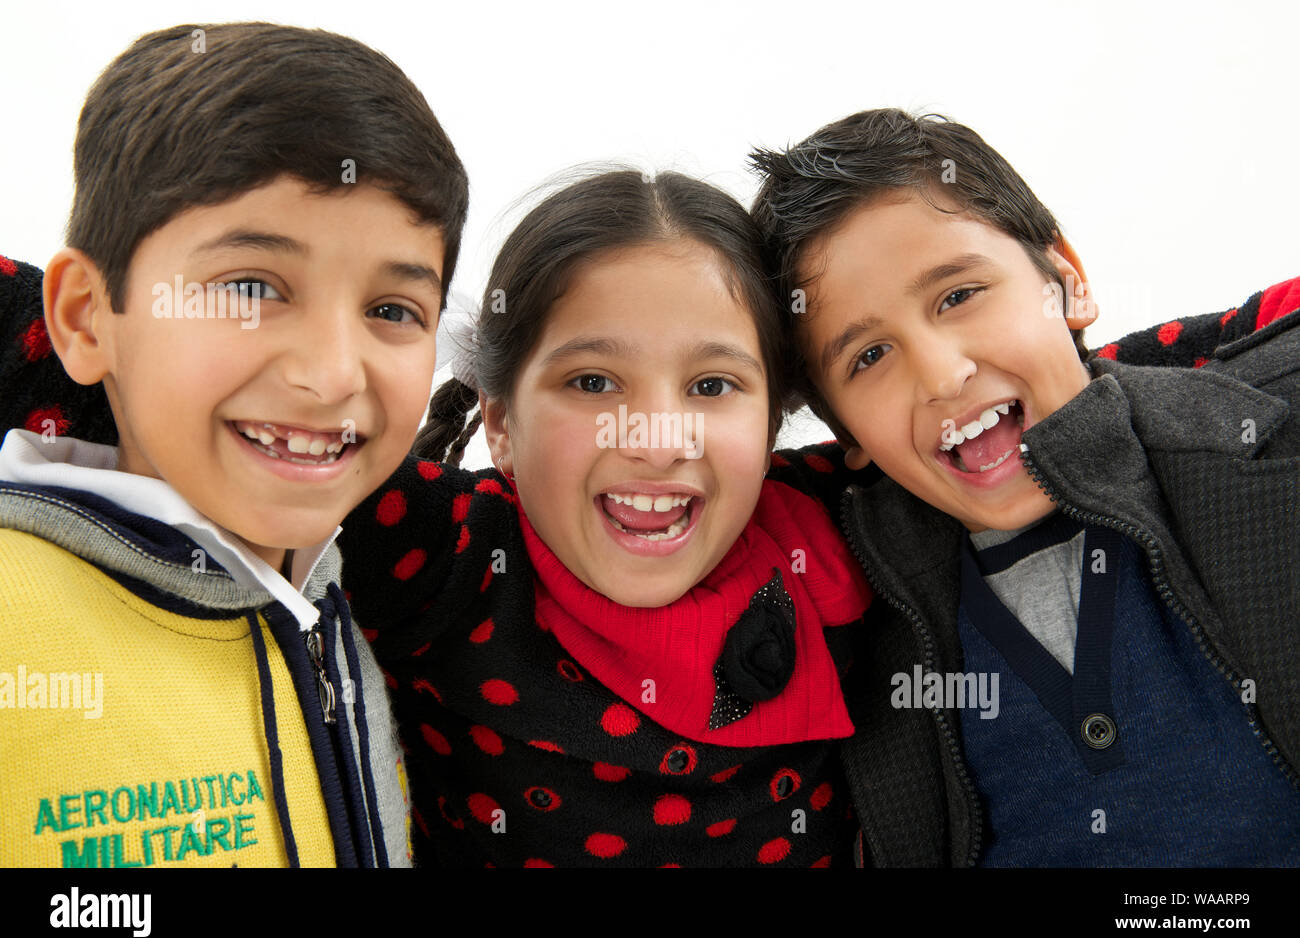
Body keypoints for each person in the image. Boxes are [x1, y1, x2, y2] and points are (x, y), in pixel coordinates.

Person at [749, 108, 1300, 865]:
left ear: (1067, 281)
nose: (942, 374)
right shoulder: (842, 601)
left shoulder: (1255, 439)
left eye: (957, 295)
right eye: (870, 354)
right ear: (844, 434)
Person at [0, 20, 469, 868]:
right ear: (84, 316)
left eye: (392, 310)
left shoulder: (353, 604)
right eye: (253, 286)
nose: (332, 375)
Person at [337, 169, 874, 866]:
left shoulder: (841, 523)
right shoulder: (443, 552)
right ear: (501, 422)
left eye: (712, 385)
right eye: (592, 382)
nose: (655, 441)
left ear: (772, 419)